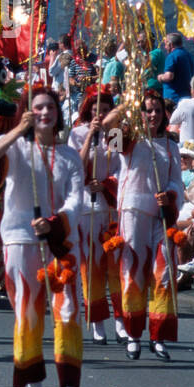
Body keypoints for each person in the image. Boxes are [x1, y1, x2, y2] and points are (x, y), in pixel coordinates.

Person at [0, 86, 87, 387]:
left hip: (59, 243)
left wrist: (55, 222)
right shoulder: (17, 150)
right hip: (19, 240)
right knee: (27, 315)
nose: (44, 113)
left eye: (50, 107)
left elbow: (76, 199)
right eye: (37, 108)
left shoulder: (69, 155)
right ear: (27, 112)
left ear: (58, 113)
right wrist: (17, 130)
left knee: (68, 313)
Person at [100, 89, 183, 361]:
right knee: (133, 273)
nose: (153, 115)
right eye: (147, 110)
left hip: (161, 216)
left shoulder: (172, 146)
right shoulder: (130, 140)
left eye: (157, 110)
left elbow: (176, 183)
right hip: (133, 211)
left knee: (164, 274)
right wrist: (128, 103)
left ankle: (158, 337)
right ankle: (134, 334)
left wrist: (169, 196)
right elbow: (106, 126)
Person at [70, 86, 126, 345]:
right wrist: (90, 135)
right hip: (85, 208)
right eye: (97, 110)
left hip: (110, 207)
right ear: (88, 111)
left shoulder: (115, 135)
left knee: (114, 267)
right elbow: (74, 169)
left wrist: (105, 184)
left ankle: (120, 319)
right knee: (90, 267)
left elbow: (121, 169)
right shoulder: (77, 133)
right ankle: (97, 321)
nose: (101, 114)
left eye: (106, 110)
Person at [157, 31, 194, 106]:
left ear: (170, 44)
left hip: (173, 99)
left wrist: (160, 77)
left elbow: (169, 76)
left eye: (165, 44)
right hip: (187, 97)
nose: (165, 47)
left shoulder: (172, 56)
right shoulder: (190, 56)